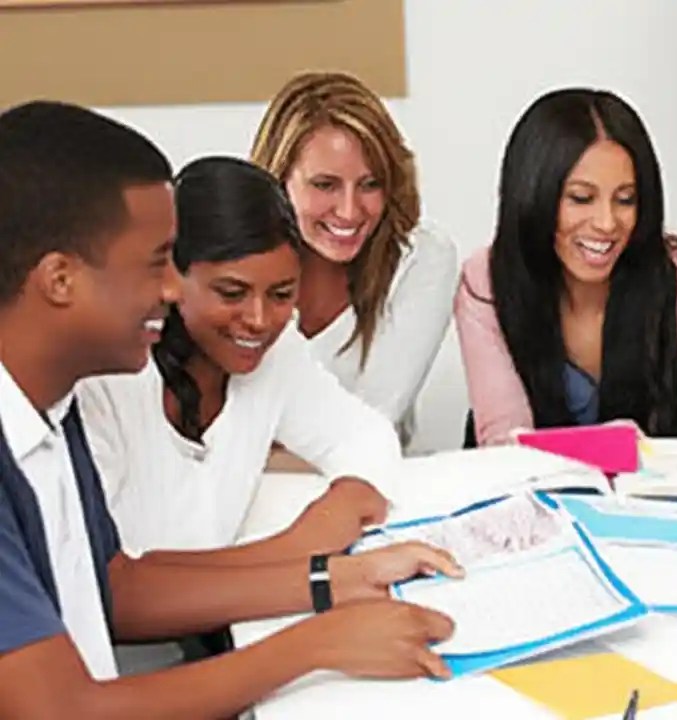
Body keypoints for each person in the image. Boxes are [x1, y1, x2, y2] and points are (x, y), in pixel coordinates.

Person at [0, 101, 460, 718]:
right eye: (158, 263)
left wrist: (335, 579)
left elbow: (116, 586)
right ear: (60, 280)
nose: (171, 290)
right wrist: (318, 640)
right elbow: (63, 711)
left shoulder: (49, 413)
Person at [78, 156, 402, 560]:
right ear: (172, 277)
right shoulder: (108, 377)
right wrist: (295, 551)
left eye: (282, 294)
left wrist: (344, 503)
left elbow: (364, 436)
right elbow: (113, 589)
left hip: (229, 615)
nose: (259, 320)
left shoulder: (278, 354)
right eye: (231, 293)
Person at [455, 88, 677, 446]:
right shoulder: (485, 282)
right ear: (533, 194)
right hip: (527, 495)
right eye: (581, 198)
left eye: (625, 200)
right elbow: (506, 448)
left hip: (671, 500)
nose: (607, 223)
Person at [250, 71, 457, 451]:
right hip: (248, 495)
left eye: (370, 184)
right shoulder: (235, 261)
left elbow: (370, 429)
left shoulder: (421, 258)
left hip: (367, 491)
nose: (349, 211)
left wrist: (250, 451)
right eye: (325, 185)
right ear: (278, 179)